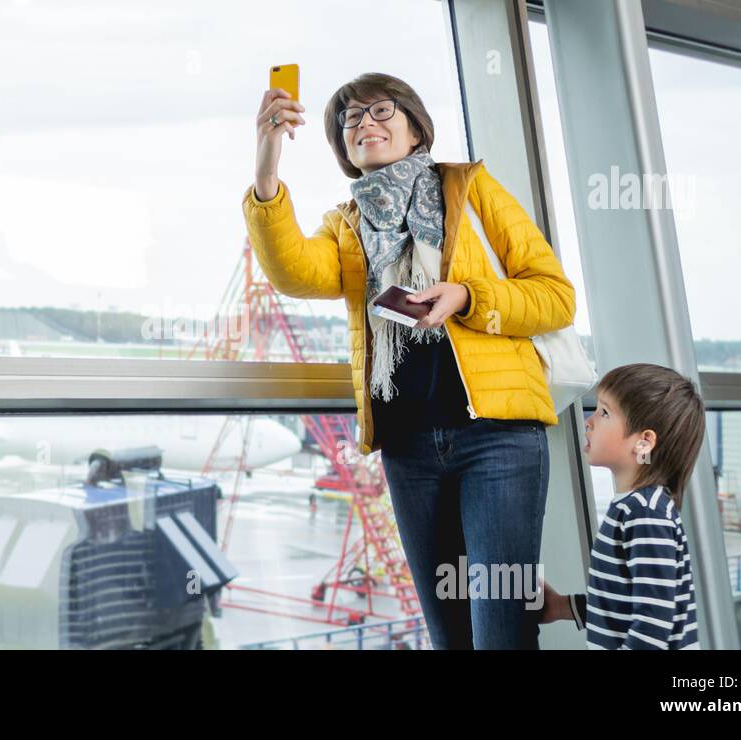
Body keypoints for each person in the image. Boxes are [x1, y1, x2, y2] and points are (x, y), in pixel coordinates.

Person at [243, 72, 576, 648]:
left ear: (417, 125)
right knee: (449, 637)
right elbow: (293, 271)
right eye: (350, 120)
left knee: (501, 633)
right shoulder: (347, 225)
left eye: (380, 110)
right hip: (408, 449)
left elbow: (555, 296)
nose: (364, 123)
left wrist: (468, 296)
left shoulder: (470, 190)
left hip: (497, 439)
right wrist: (267, 169)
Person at [539, 363, 705, 649]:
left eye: (604, 412)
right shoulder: (635, 508)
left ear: (644, 442)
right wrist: (562, 607)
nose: (589, 422)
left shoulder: (645, 513)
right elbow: (623, 605)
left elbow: (653, 621)